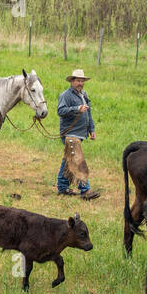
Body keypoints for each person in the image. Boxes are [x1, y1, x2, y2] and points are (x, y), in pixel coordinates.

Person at [57, 68, 99, 199]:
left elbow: (89, 113)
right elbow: (61, 111)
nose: (80, 83)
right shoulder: (66, 95)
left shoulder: (84, 94)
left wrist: (91, 129)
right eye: (78, 81)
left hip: (80, 134)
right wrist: (77, 109)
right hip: (70, 133)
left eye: (82, 81)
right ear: (72, 81)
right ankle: (85, 190)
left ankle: (62, 187)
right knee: (77, 160)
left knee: (68, 160)